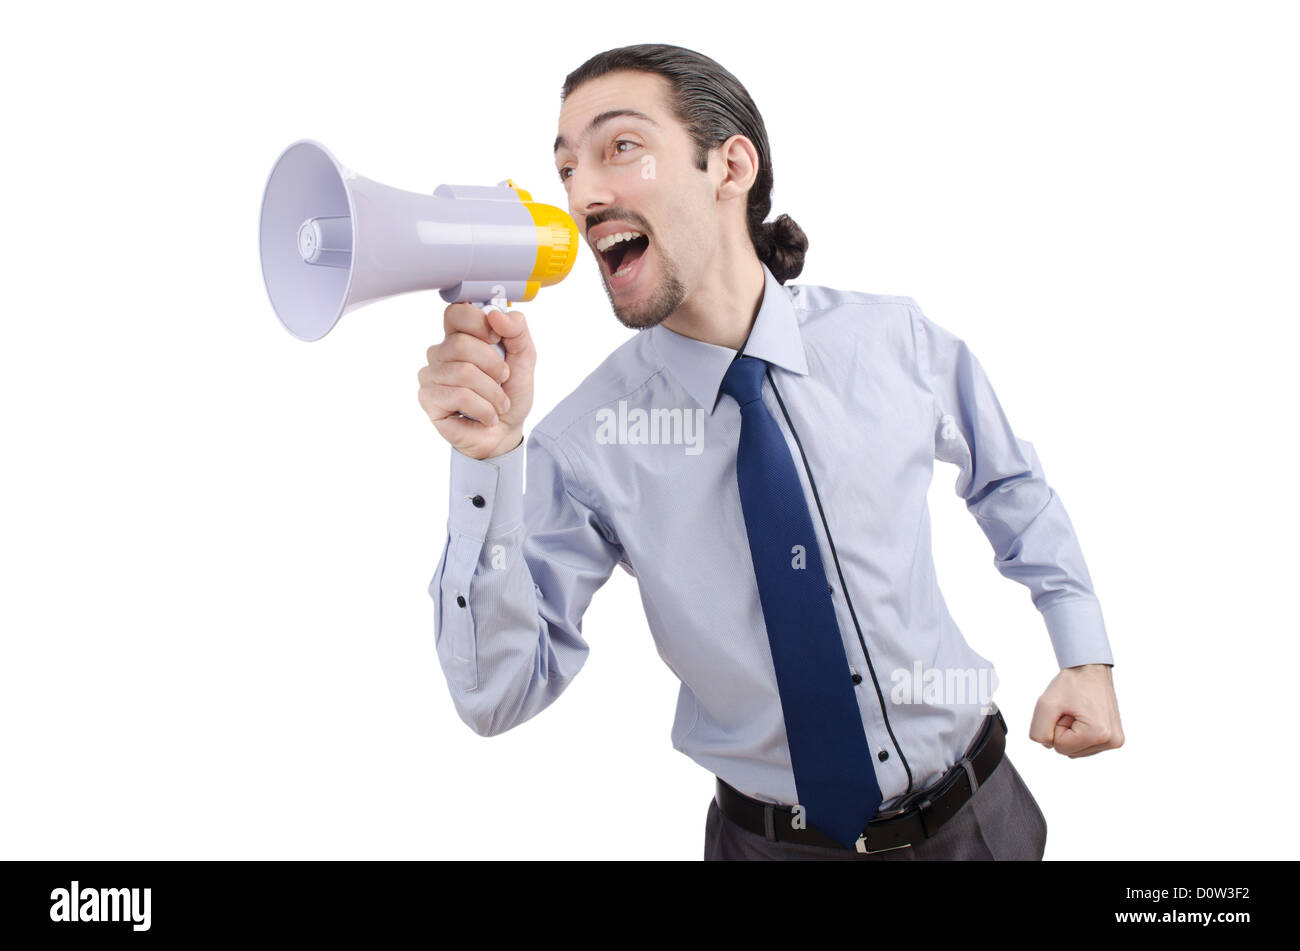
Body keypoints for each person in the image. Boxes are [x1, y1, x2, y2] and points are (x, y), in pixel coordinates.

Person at [416, 43, 1124, 860]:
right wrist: (487, 461)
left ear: (730, 165)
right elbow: (494, 696)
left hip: (983, 818)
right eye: (567, 167)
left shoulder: (890, 339)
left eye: (620, 147)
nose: (583, 192)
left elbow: (1011, 483)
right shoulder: (582, 445)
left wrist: (1086, 653)